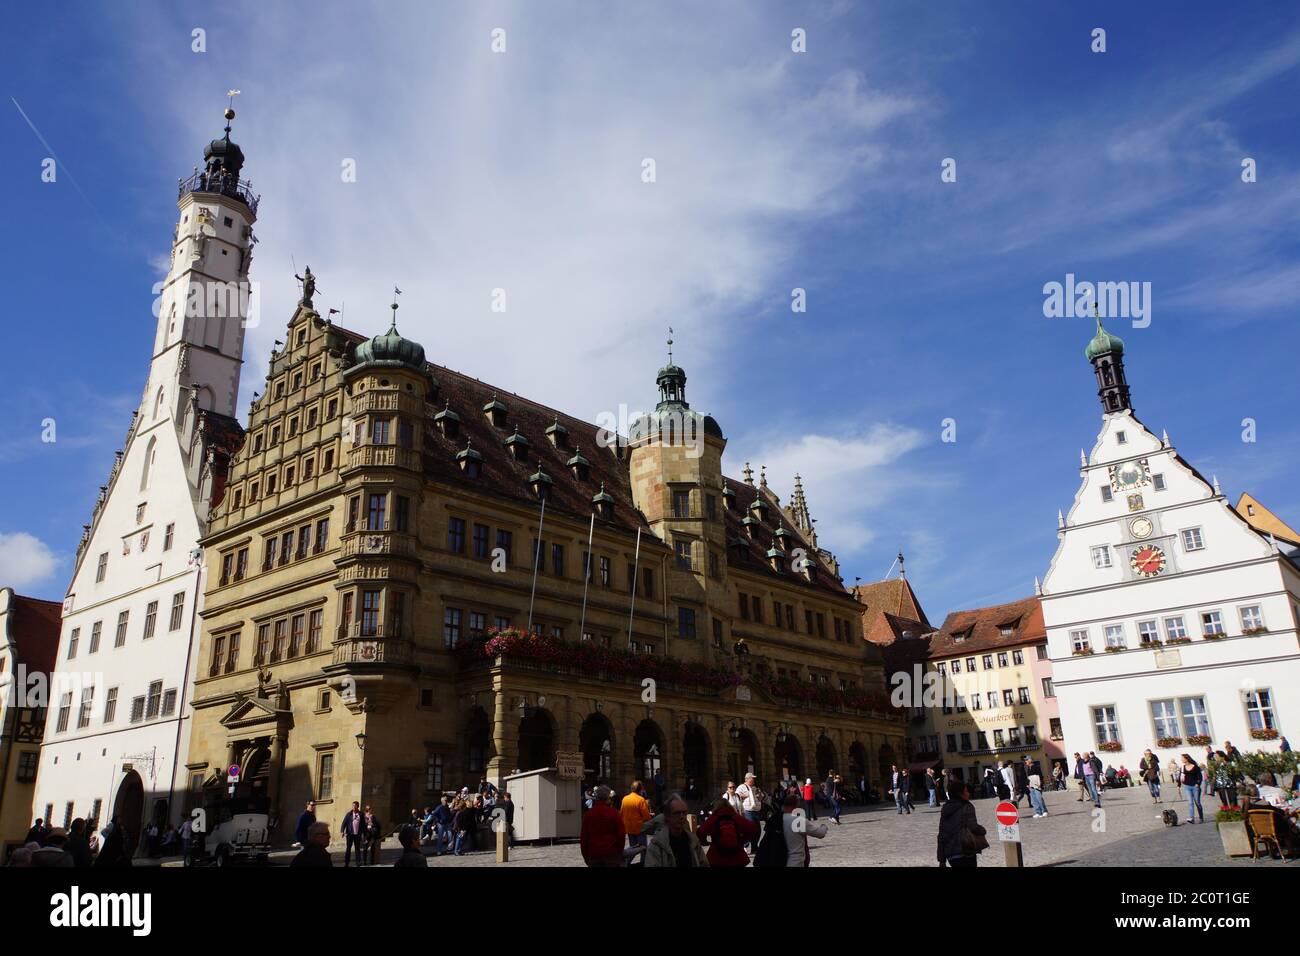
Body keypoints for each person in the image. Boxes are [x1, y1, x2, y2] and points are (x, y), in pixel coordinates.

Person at [643, 794, 708, 867]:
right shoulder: (657, 845)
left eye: (684, 813)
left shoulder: (693, 841)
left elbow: (704, 863)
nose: (681, 817)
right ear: (667, 816)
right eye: (677, 813)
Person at [697, 795, 759, 867]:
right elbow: (753, 828)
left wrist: (705, 842)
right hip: (736, 856)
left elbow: (700, 831)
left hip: (717, 856)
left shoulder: (714, 817)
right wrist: (741, 841)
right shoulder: (735, 816)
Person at [936, 779, 986, 868]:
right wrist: (982, 830)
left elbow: (942, 834)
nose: (968, 793)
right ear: (960, 794)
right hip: (966, 849)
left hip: (951, 852)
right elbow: (973, 826)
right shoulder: (967, 806)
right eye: (966, 791)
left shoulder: (945, 808)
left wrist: (941, 859)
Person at [580, 785, 625, 866]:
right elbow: (621, 835)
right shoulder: (613, 813)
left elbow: (584, 838)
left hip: (594, 855)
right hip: (611, 854)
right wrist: (618, 853)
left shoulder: (589, 814)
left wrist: (586, 857)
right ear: (607, 797)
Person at [620, 780, 652, 854]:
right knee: (643, 849)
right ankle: (643, 863)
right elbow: (646, 817)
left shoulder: (625, 798)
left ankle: (627, 862)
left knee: (633, 848)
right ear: (640, 789)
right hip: (639, 828)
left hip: (629, 828)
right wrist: (650, 815)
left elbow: (621, 813)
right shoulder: (640, 800)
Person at [735, 772, 763, 850]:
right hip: (748, 811)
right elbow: (736, 796)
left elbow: (761, 798)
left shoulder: (755, 788)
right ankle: (745, 845)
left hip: (756, 811)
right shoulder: (742, 787)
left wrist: (759, 795)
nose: (754, 780)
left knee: (758, 830)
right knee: (750, 828)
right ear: (748, 779)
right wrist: (746, 795)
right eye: (752, 778)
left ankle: (754, 846)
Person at [1180, 754, 1205, 823]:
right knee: (1190, 803)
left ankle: (1201, 817)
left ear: (1186, 759)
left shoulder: (1195, 767)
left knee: (1197, 803)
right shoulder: (1182, 767)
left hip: (1195, 787)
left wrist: (1198, 784)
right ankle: (1191, 818)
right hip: (1187, 787)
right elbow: (1180, 777)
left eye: (1182, 758)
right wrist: (1179, 785)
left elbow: (1200, 777)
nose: (1181, 759)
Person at [340, 801, 365, 867]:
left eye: (355, 806)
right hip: (350, 834)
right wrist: (342, 831)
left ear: (358, 806)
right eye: (353, 805)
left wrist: (364, 834)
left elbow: (363, 825)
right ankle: (346, 863)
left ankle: (358, 863)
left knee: (357, 849)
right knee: (348, 848)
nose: (353, 807)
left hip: (357, 834)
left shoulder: (361, 814)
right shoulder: (349, 814)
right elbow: (344, 823)